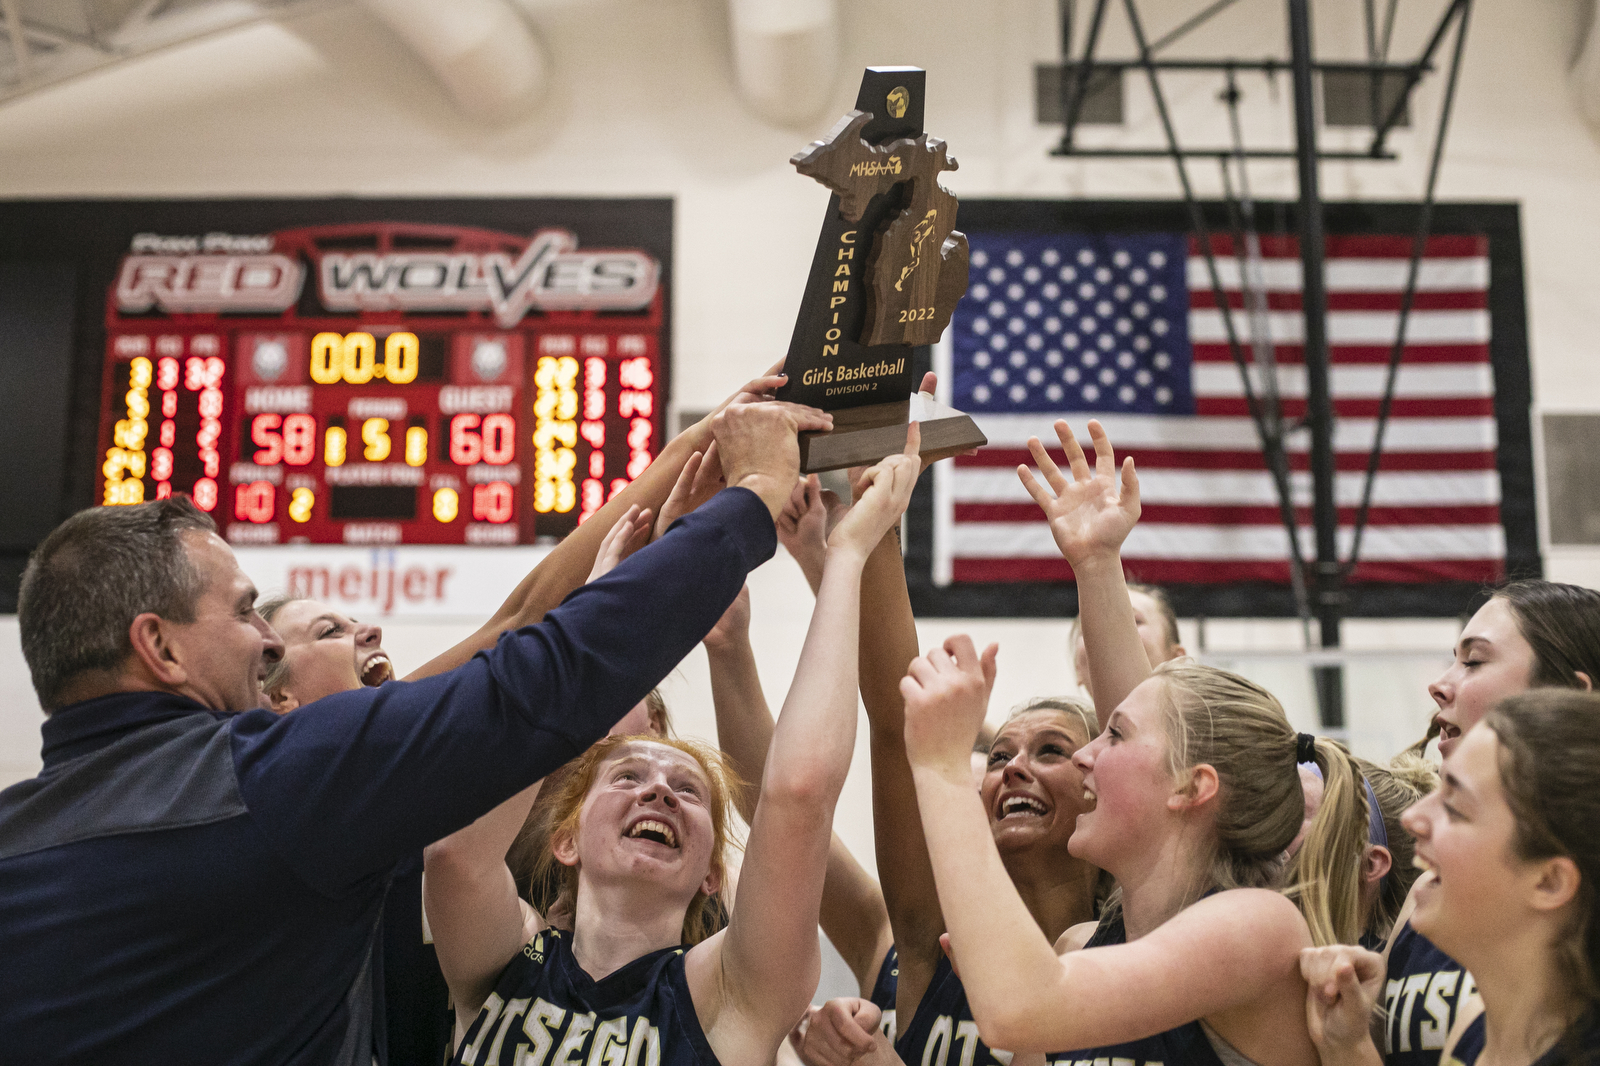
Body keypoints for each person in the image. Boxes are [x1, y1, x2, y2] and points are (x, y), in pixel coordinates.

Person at [0, 390, 825, 1064]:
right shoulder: (278, 777)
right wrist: (749, 497)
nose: (264, 639)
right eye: (251, 612)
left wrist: (691, 452)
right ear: (160, 647)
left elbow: (524, 624)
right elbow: (540, 672)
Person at [419, 427, 924, 1066]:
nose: (659, 788)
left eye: (688, 791)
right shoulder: (500, 956)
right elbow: (453, 854)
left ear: (714, 871)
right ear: (565, 838)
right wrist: (588, 617)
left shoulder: (731, 995)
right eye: (627, 776)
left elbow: (799, 792)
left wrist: (848, 556)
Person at [254, 503, 664, 1066]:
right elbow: (513, 622)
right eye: (330, 631)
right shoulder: (293, 789)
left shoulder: (413, 790)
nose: (368, 628)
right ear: (278, 699)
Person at [1314, 580, 1600, 1066]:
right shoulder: (1430, 893)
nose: (1439, 683)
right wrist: (1349, 1044)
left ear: (1566, 695)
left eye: (1474, 661)